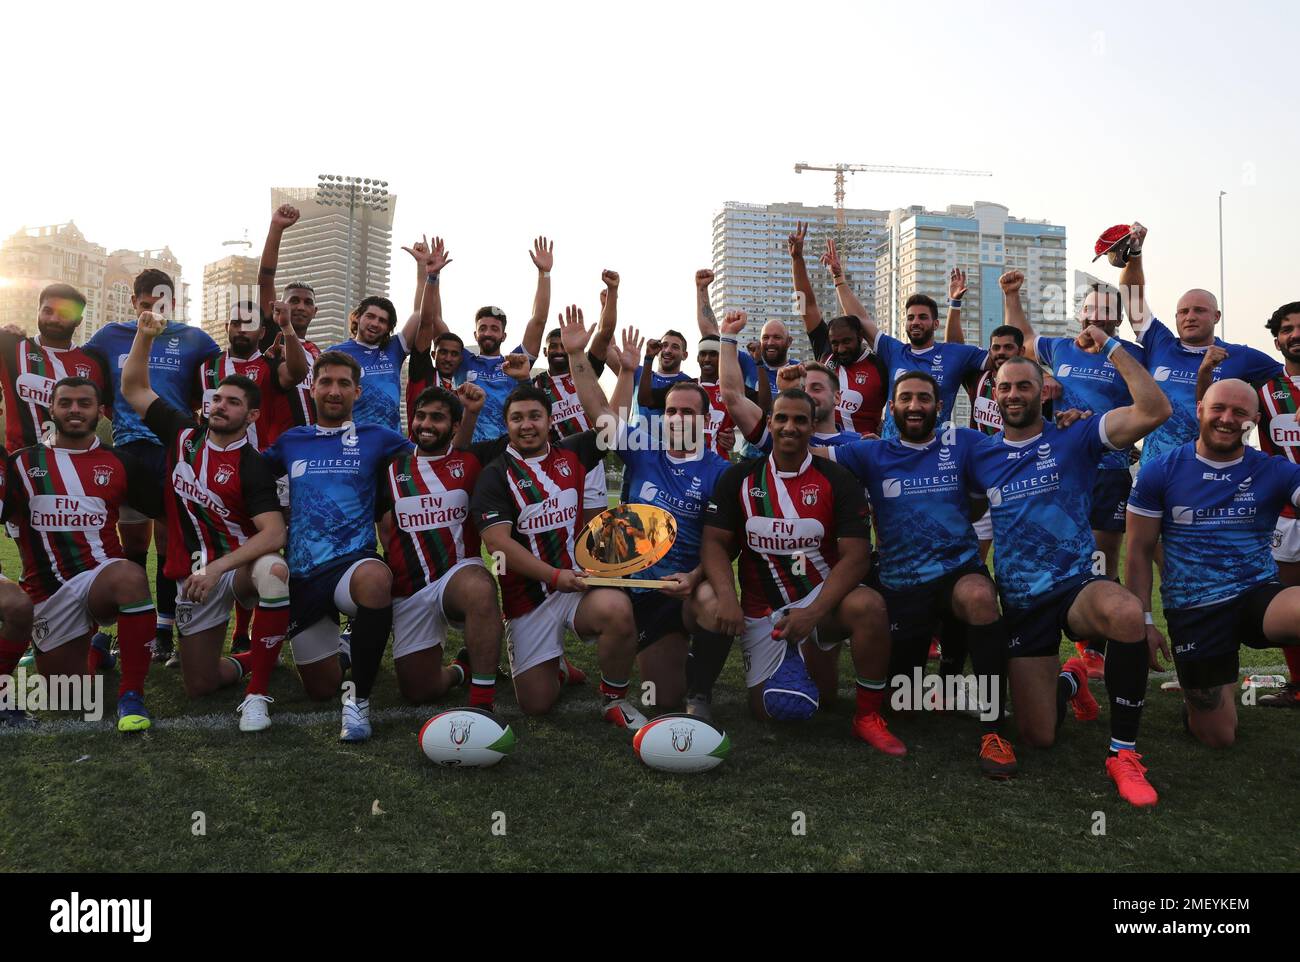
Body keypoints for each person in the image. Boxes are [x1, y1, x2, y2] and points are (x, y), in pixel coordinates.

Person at [962, 336, 1171, 807]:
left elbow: (1155, 410)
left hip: (1075, 585)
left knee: (1125, 613)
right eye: (1004, 388)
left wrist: (1112, 348)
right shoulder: (981, 453)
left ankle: (1123, 753)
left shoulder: (1076, 434)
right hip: (1020, 601)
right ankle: (1072, 679)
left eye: (1023, 386)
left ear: (1044, 390)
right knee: (1039, 736)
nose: (1013, 394)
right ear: (994, 395)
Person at [827, 371, 1019, 778]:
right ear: (891, 407)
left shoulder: (963, 442)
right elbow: (796, 449)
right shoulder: (870, 453)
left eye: (924, 398)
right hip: (901, 584)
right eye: (906, 398)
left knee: (980, 597)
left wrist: (1059, 415)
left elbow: (1020, 446)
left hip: (957, 573)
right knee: (903, 705)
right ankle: (947, 690)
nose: (915, 406)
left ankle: (993, 731)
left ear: (938, 405)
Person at [696, 389, 904, 755]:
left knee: (869, 606)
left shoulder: (839, 479)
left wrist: (812, 613)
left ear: (813, 427)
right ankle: (791, 657)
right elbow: (714, 542)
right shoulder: (739, 478)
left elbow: (856, 557)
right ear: (769, 424)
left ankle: (868, 717)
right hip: (763, 610)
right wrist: (728, 598)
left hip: (818, 600)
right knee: (774, 712)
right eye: (781, 418)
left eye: (799, 420)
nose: (790, 427)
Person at [121, 311, 288, 731]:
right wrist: (144, 336)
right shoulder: (182, 434)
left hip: (234, 568)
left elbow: (274, 532)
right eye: (217, 399)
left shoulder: (252, 466)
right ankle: (250, 658)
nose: (220, 406)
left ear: (251, 417)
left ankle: (257, 695)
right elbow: (134, 387)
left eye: (233, 402)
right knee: (200, 684)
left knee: (273, 570)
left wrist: (218, 568)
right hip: (193, 574)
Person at [562, 315, 732, 715]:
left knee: (713, 601)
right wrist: (575, 356)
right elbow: (598, 412)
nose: (677, 418)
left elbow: (726, 546)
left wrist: (692, 578)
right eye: (671, 411)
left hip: (683, 590)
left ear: (704, 420)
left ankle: (701, 697)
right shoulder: (644, 448)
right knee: (660, 700)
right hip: (636, 588)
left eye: (688, 412)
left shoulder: (719, 472)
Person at [1126, 378, 1300, 747]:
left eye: (1240, 413)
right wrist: (1145, 621)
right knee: (1219, 736)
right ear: (1201, 409)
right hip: (1196, 610)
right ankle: (1200, 699)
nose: (1227, 419)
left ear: (1254, 420)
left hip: (1258, 595)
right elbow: (1139, 550)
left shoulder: (1273, 470)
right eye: (1219, 408)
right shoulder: (1160, 470)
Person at [469, 373, 647, 729]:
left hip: (577, 586)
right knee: (537, 705)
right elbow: (498, 543)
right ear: (506, 425)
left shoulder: (573, 452)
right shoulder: (494, 474)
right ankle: (557, 668)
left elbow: (611, 426)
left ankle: (613, 699)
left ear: (550, 420)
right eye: (517, 418)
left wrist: (626, 373)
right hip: (528, 598)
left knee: (618, 609)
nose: (527, 425)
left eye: (535, 416)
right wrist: (553, 576)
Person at [996, 266, 1141, 678]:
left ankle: (1092, 649)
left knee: (1103, 552)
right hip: (1061, 465)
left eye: (1106, 312)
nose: (1097, 318)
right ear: (1081, 315)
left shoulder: (1129, 355)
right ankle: (1044, 628)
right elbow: (1023, 342)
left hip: (1109, 464)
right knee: (1054, 543)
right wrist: (1012, 297)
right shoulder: (1059, 348)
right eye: (1090, 310)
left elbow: (1148, 398)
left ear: (1117, 319)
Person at [262, 351, 414, 741]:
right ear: (312, 388)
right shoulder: (291, 442)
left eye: (343, 383)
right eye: (326, 381)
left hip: (353, 564)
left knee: (377, 580)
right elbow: (247, 478)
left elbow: (434, 456)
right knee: (320, 688)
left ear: (357, 391)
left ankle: (359, 703)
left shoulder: (378, 438)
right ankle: (348, 648)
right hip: (303, 574)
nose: (334, 390)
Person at [1, 378, 159, 732]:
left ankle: (131, 694)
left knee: (129, 577)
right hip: (47, 592)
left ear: (99, 411)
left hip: (100, 578)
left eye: (84, 403)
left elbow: (166, 509)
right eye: (66, 402)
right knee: (67, 698)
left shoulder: (121, 462)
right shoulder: (21, 464)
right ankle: (96, 650)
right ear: (52, 409)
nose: (75, 409)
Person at [87, 270, 221, 665]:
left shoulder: (195, 338)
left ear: (174, 303)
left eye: (160, 303)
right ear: (134, 303)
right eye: (145, 303)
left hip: (173, 449)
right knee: (131, 545)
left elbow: (222, 375)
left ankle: (165, 630)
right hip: (127, 449)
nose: (152, 310)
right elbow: (84, 375)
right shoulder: (110, 334)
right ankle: (129, 629)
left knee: (169, 542)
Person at [377, 384, 503, 709]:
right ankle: (461, 669)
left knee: (479, 588)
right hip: (411, 588)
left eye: (438, 418)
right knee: (419, 691)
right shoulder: (391, 468)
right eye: (420, 416)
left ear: (456, 426)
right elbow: (384, 524)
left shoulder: (473, 461)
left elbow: (524, 436)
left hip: (457, 575)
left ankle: (482, 703)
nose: (427, 424)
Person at [1116, 222, 1281, 464]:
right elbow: (1132, 296)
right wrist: (1136, 254)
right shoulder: (1160, 343)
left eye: (1199, 310)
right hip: (1154, 473)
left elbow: (1290, 378)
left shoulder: (1241, 356)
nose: (1190, 316)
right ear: (1176, 317)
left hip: (1213, 474)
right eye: (1183, 311)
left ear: (1216, 317)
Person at [823, 240, 989, 440]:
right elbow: (861, 319)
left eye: (922, 317)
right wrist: (838, 277)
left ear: (936, 324)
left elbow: (999, 357)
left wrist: (955, 304)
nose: (915, 322)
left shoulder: (953, 353)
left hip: (934, 451)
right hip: (892, 451)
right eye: (910, 318)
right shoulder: (894, 350)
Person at [430, 237, 553, 442]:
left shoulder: (515, 363)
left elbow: (538, 321)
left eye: (494, 329)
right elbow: (435, 321)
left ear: (503, 336)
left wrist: (544, 274)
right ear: (475, 334)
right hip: (468, 448)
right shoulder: (463, 359)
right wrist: (433, 276)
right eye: (483, 328)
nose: (488, 333)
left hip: (508, 449)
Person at [325, 236, 445, 432]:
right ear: (357, 317)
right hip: (349, 439)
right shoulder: (336, 353)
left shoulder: (394, 348)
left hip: (390, 442)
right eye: (370, 317)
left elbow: (420, 315)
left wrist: (424, 269)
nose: (375, 323)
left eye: (382, 321)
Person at [789, 229, 887, 436]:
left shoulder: (880, 364)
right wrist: (797, 259)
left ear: (861, 337)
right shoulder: (826, 354)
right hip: (823, 449)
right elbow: (807, 306)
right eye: (835, 342)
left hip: (861, 455)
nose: (840, 348)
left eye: (847, 342)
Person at [1251, 301, 1300, 706]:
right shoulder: (1265, 392)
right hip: (1287, 517)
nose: (1296, 335)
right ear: (1277, 339)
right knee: (1286, 600)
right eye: (1287, 329)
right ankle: (1298, 684)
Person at [0, 283, 111, 453]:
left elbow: (111, 413)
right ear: (38, 311)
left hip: (75, 467)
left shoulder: (94, 364)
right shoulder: (10, 346)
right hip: (19, 467)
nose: (53, 319)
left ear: (79, 321)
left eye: (64, 314)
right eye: (47, 311)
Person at [196, 299, 307, 452]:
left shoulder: (270, 365)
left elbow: (299, 372)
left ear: (262, 332)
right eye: (236, 323)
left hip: (259, 461)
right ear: (227, 327)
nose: (242, 329)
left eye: (250, 324)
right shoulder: (207, 367)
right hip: (212, 460)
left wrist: (286, 327)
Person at [258, 204, 324, 429]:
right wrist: (276, 229)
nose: (300, 307)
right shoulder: (272, 337)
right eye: (293, 300)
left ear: (315, 312)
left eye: (307, 303)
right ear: (278, 306)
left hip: (309, 445)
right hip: (274, 444)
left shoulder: (317, 353)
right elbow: (266, 278)